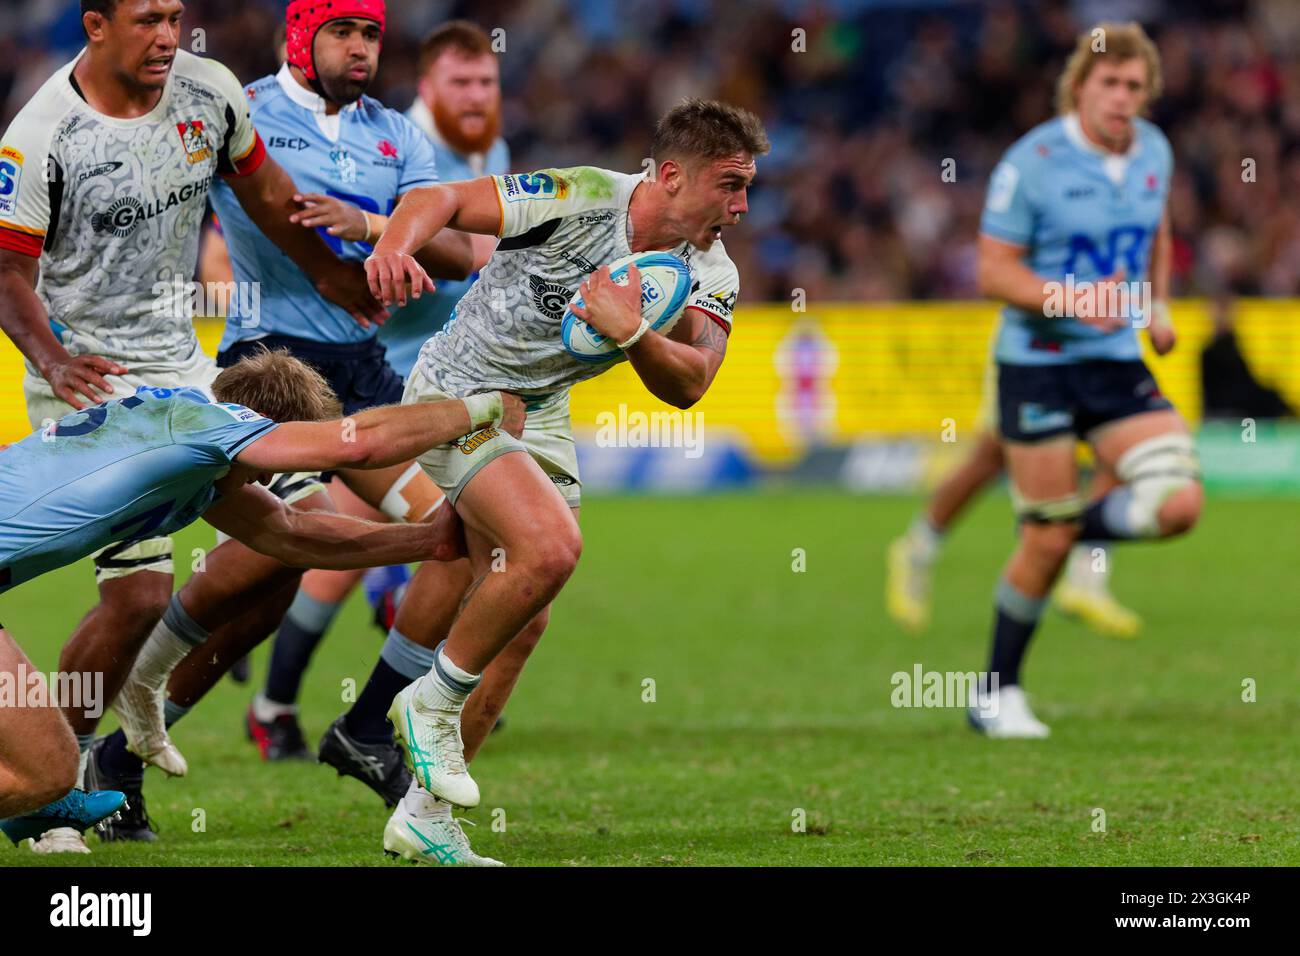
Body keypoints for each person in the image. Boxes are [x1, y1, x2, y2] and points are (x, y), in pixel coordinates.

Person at [0, 0, 381, 853]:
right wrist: (54, 362)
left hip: (184, 366)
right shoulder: (42, 135)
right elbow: (6, 274)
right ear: (96, 26)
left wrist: (333, 277)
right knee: (137, 594)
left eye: (175, 17)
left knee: (298, 536)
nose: (168, 36)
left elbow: (273, 200)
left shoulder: (210, 94)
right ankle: (59, 786)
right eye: (147, 20)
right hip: (90, 380)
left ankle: (149, 684)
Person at [361, 98, 768, 864]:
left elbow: (691, 382)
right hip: (459, 390)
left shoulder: (711, 271)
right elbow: (441, 198)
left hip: (540, 411)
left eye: (747, 187)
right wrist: (393, 246)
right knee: (550, 549)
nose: (742, 206)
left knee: (524, 618)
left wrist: (633, 331)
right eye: (730, 185)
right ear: (671, 176)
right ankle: (427, 702)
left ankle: (422, 815)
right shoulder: (578, 195)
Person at [0, 349, 523, 834]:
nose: (268, 481)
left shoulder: (183, 443)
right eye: (277, 467)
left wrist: (431, 542)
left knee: (47, 774)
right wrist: (482, 409)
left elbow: (292, 535)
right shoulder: (211, 424)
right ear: (263, 425)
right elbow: (359, 442)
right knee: (45, 777)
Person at [251, 19, 513, 784]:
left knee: (420, 543)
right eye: (461, 83)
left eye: (487, 82)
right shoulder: (404, 145)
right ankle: (333, 704)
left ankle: (338, 707)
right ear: (429, 88)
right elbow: (462, 252)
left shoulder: (490, 153)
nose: (477, 96)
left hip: (443, 380)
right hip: (386, 370)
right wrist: (381, 234)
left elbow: (478, 256)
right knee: (346, 549)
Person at [965, 22, 1200, 739]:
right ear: (1079, 86)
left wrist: (1157, 304)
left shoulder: (1154, 150)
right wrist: (1071, 298)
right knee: (1046, 543)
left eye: (1135, 86)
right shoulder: (1032, 161)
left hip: (1114, 361)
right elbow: (992, 271)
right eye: (1110, 83)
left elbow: (1157, 229)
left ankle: (1055, 525)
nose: (1122, 97)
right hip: (1036, 363)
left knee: (1178, 504)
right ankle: (994, 694)